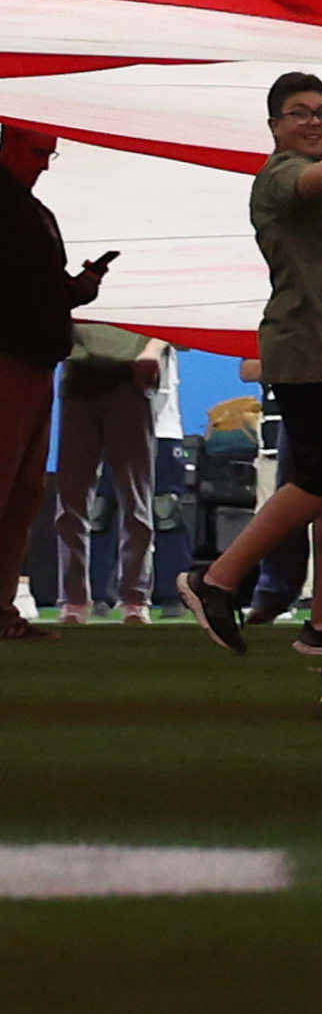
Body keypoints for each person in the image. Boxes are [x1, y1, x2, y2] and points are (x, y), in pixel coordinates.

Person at [184, 73, 322, 659]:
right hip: (309, 350)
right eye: (300, 112)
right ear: (275, 125)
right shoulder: (281, 176)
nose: (314, 122)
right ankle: (217, 578)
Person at [2, 123, 116, 642]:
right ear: (9, 143)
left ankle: (2, 610)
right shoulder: (22, 212)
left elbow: (45, 291)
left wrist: (80, 287)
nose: (44, 162)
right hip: (11, 360)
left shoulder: (35, 213)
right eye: (38, 151)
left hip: (36, 362)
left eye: (50, 153)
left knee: (24, 492)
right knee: (11, 489)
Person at [55, 318, 168, 626]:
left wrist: (152, 351)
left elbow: (168, 324)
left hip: (130, 376)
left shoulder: (145, 288)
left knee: (136, 499)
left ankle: (135, 598)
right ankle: (74, 598)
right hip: (80, 376)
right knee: (71, 498)